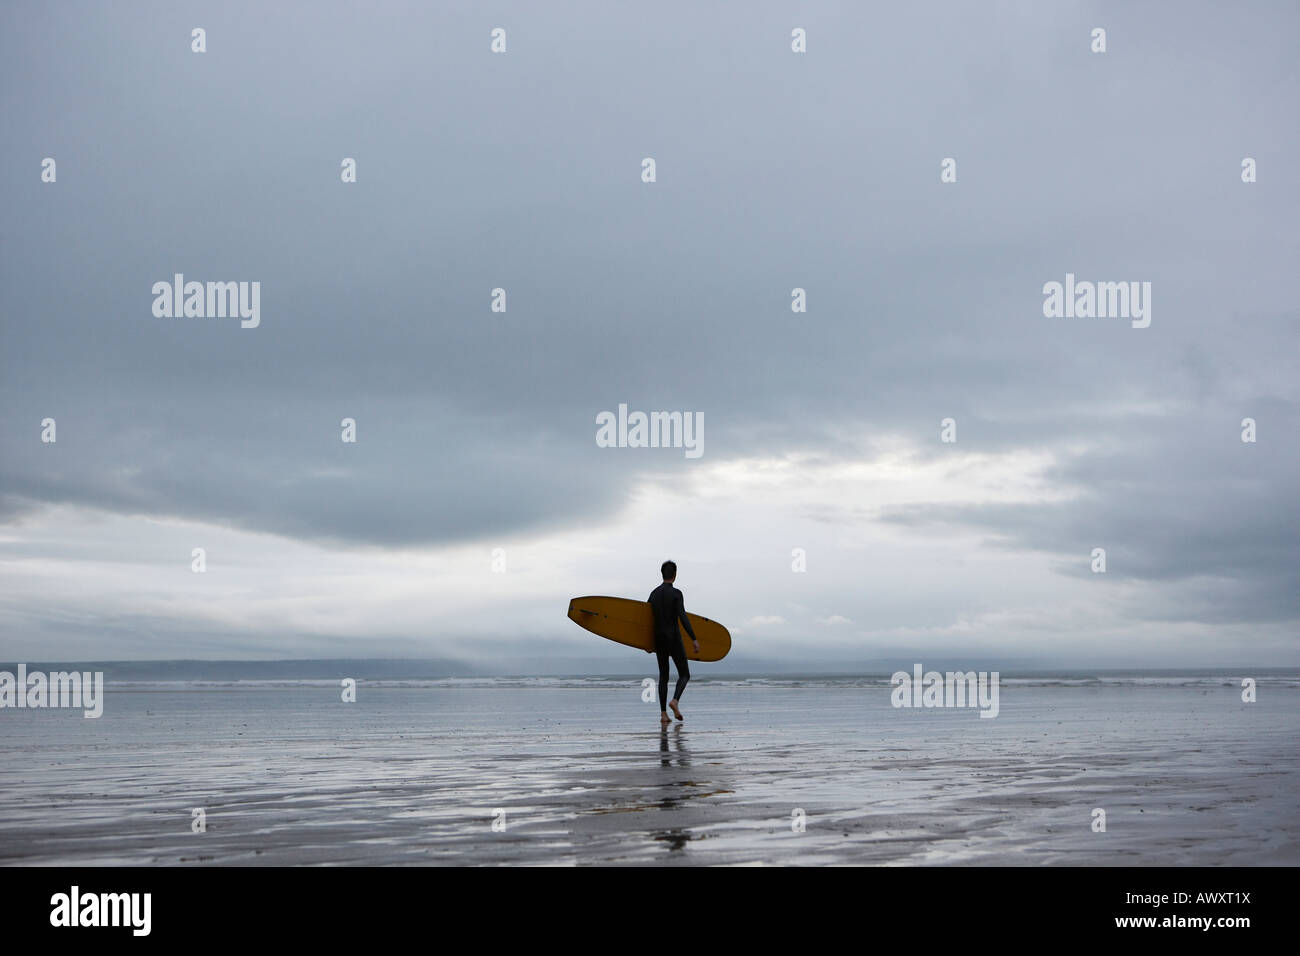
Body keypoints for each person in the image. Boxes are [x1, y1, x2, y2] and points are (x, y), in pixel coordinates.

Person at [647, 560, 699, 727]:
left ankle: (663, 714)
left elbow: (646, 620)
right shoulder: (677, 594)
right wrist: (693, 638)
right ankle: (675, 701)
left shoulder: (653, 594)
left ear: (662, 574)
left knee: (663, 676)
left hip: (658, 638)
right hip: (674, 637)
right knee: (684, 674)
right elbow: (683, 617)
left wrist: (647, 643)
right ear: (675, 574)